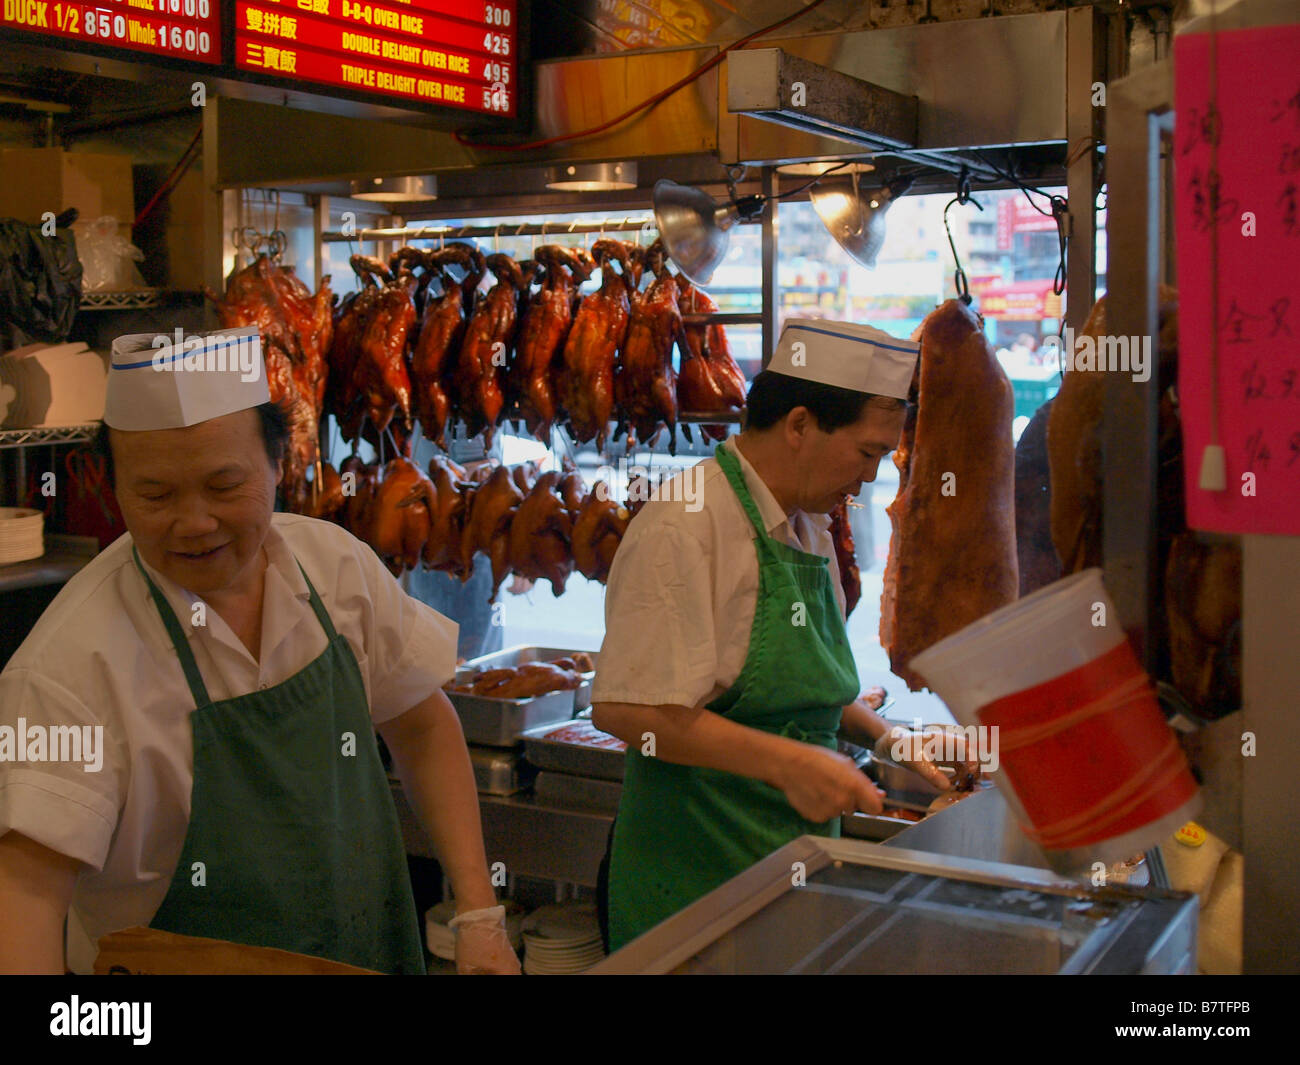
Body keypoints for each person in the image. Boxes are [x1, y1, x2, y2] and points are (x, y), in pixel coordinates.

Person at [0, 327, 519, 974]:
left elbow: (422, 727)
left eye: (223, 486)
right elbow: (23, 895)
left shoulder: (336, 572)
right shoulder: (68, 667)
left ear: (281, 461)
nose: (194, 522)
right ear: (113, 485)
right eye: (155, 494)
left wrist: (478, 914)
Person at [592, 318, 976, 952]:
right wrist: (791, 762)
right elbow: (628, 709)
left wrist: (888, 738)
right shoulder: (687, 523)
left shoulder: (808, 521)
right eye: (868, 453)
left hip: (786, 864)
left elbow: (789, 687)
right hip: (693, 882)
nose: (873, 477)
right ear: (799, 425)